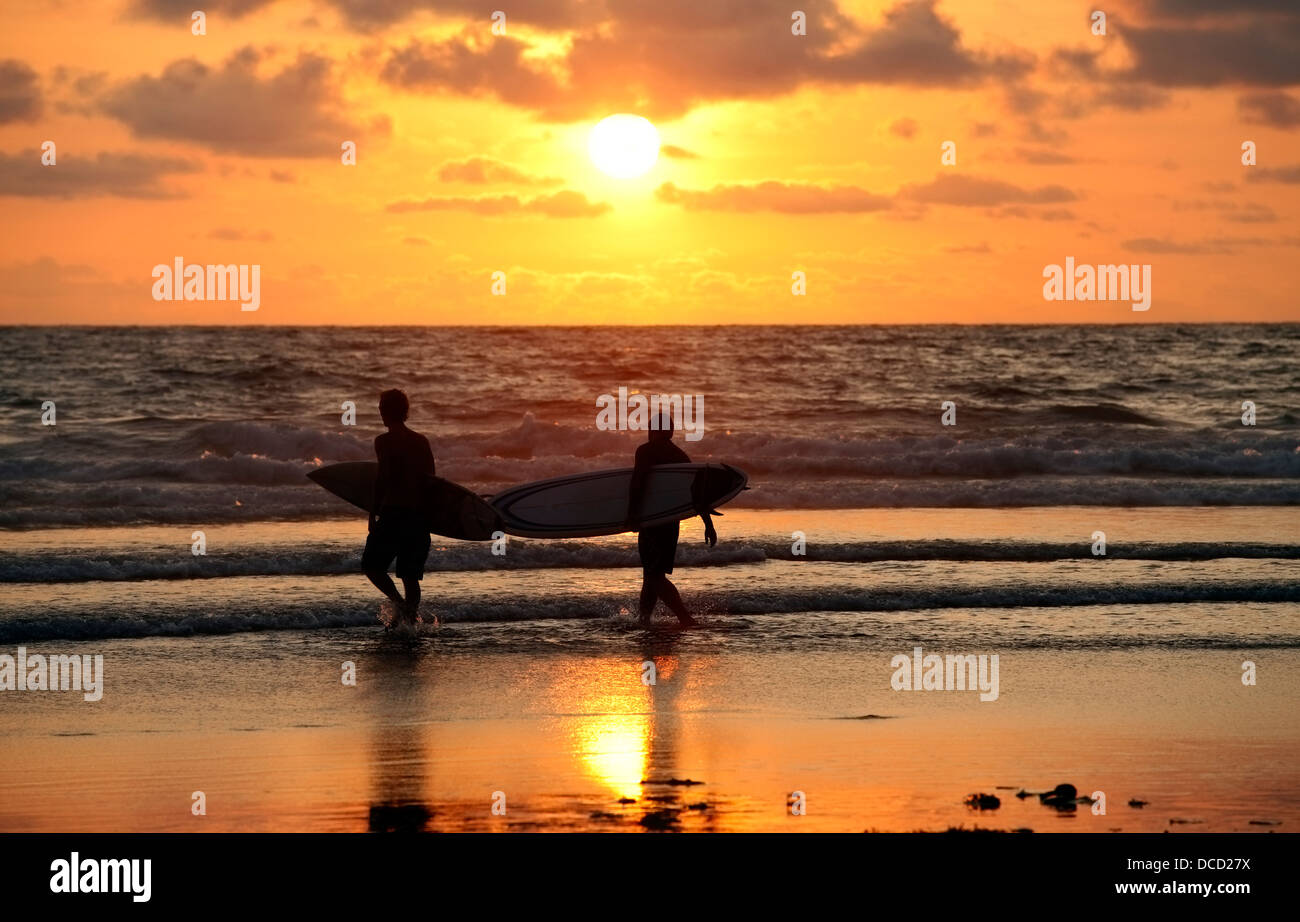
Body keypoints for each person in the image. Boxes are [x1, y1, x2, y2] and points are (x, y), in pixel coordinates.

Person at [626, 413, 716, 626]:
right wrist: (708, 524)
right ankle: (644, 620)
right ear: (671, 432)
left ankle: (685, 618)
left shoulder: (646, 451)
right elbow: (695, 494)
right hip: (671, 522)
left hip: (652, 521)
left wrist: (632, 516)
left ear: (653, 431)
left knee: (654, 576)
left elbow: (638, 483)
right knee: (651, 574)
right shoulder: (681, 456)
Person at [363, 389, 435, 625]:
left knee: (371, 566)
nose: (380, 412)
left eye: (383, 408)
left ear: (392, 411)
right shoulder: (421, 441)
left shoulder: (383, 442)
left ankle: (400, 605)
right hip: (418, 517)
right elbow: (431, 481)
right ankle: (410, 620)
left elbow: (382, 479)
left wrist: (373, 512)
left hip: (394, 515)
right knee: (409, 576)